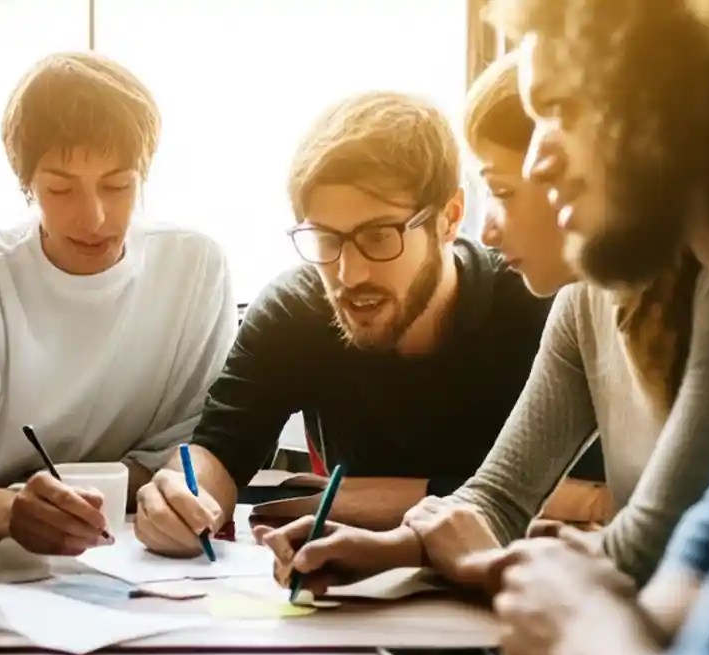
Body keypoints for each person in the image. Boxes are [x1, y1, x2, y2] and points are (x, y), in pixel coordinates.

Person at [365, 1, 709, 655]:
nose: (541, 160)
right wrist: (540, 580)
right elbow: (693, 559)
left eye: (560, 109)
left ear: (657, 95)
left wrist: (578, 621)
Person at [133, 91, 556, 558]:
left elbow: (583, 496)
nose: (349, 274)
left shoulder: (534, 303)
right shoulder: (295, 309)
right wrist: (181, 494)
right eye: (325, 238)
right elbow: (220, 449)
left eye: (379, 236)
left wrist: (358, 499)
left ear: (449, 218)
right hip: (347, 583)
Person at [0, 51, 236, 555]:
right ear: (27, 184)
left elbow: (196, 438)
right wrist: (12, 513)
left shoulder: (193, 269)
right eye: (61, 189)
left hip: (132, 545)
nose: (94, 217)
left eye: (118, 185)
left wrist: (126, 496)